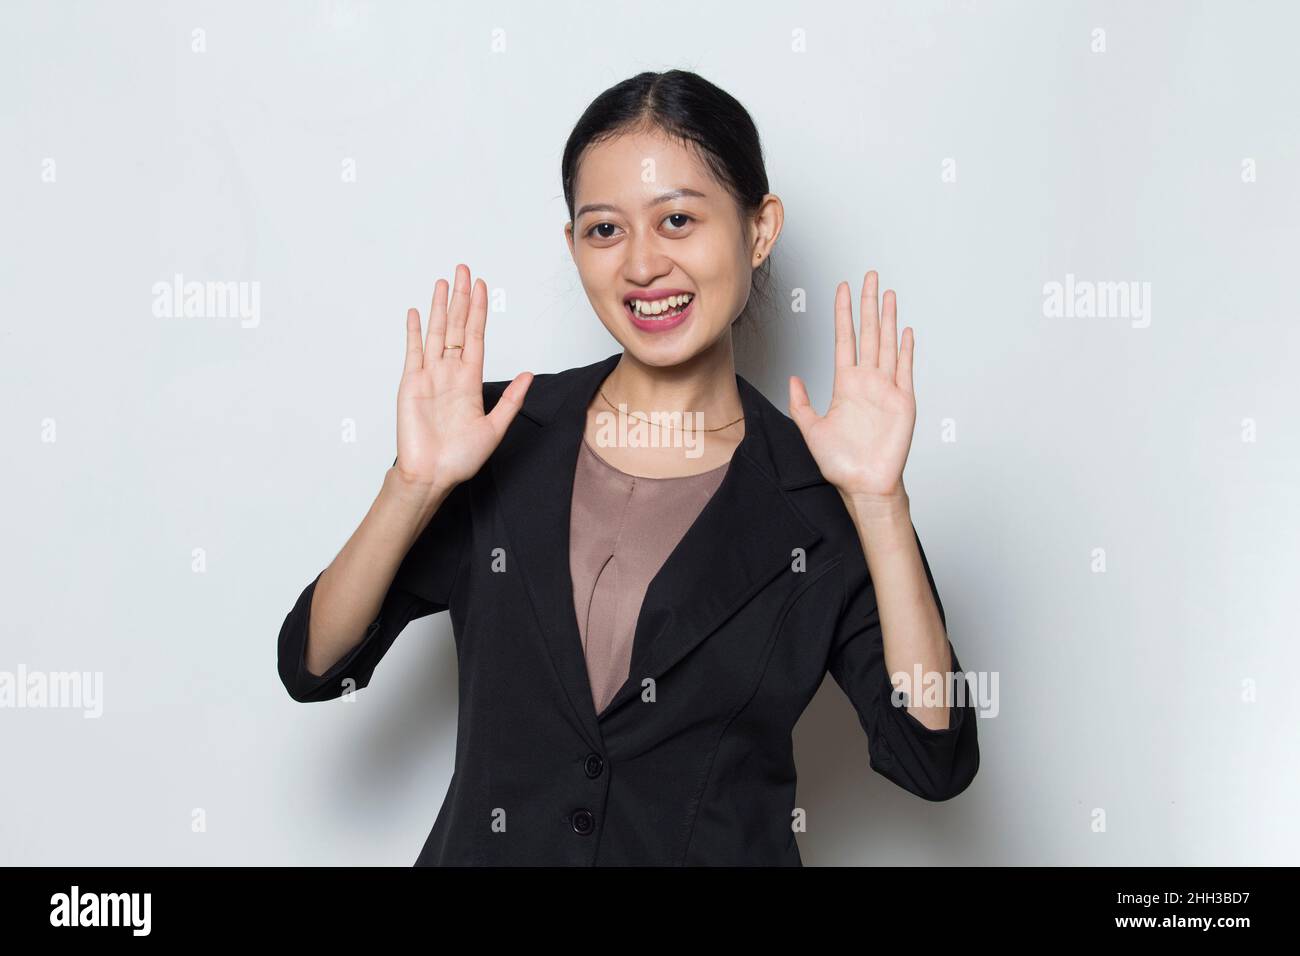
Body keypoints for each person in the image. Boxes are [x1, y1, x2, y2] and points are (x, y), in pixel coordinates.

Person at [277, 69, 979, 866]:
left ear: (759, 228)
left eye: (678, 219)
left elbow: (934, 759)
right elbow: (313, 664)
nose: (642, 265)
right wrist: (412, 486)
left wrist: (881, 505)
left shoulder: (824, 492)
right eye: (604, 230)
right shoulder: (498, 436)